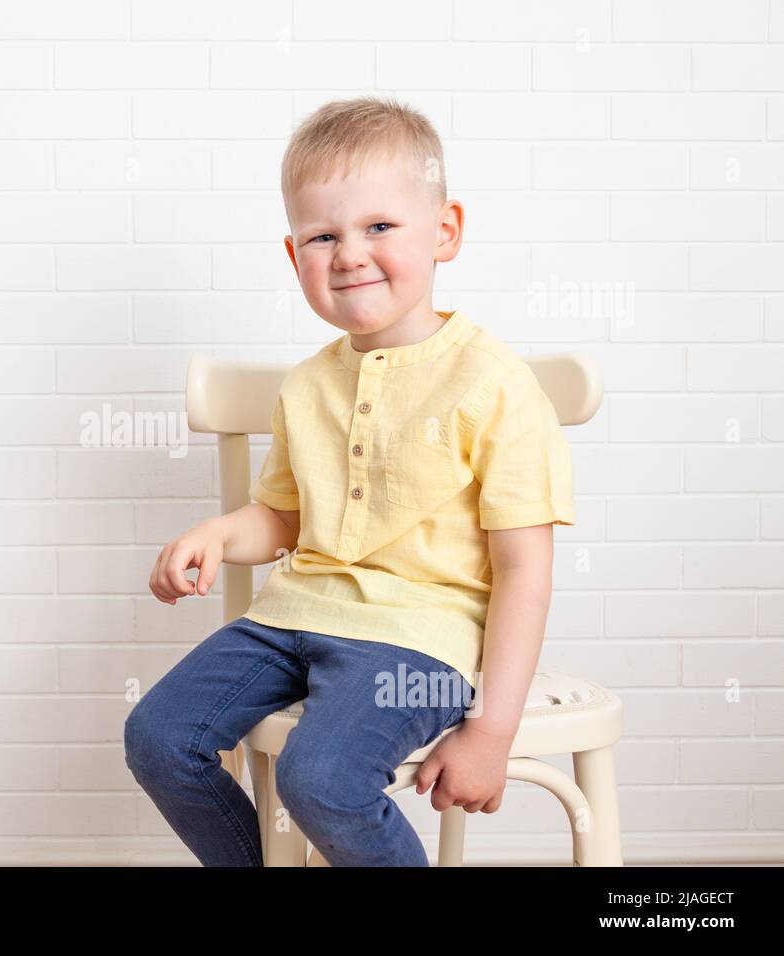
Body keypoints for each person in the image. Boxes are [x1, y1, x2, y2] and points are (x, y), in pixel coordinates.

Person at [124, 96, 575, 866]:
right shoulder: (308, 386)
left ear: (445, 231)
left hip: (417, 643)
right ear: (293, 253)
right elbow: (286, 517)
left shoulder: (493, 384)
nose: (348, 253)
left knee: (321, 776)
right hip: (295, 614)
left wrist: (490, 731)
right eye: (322, 235)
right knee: (159, 736)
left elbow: (525, 569)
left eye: (378, 227)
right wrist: (221, 534)